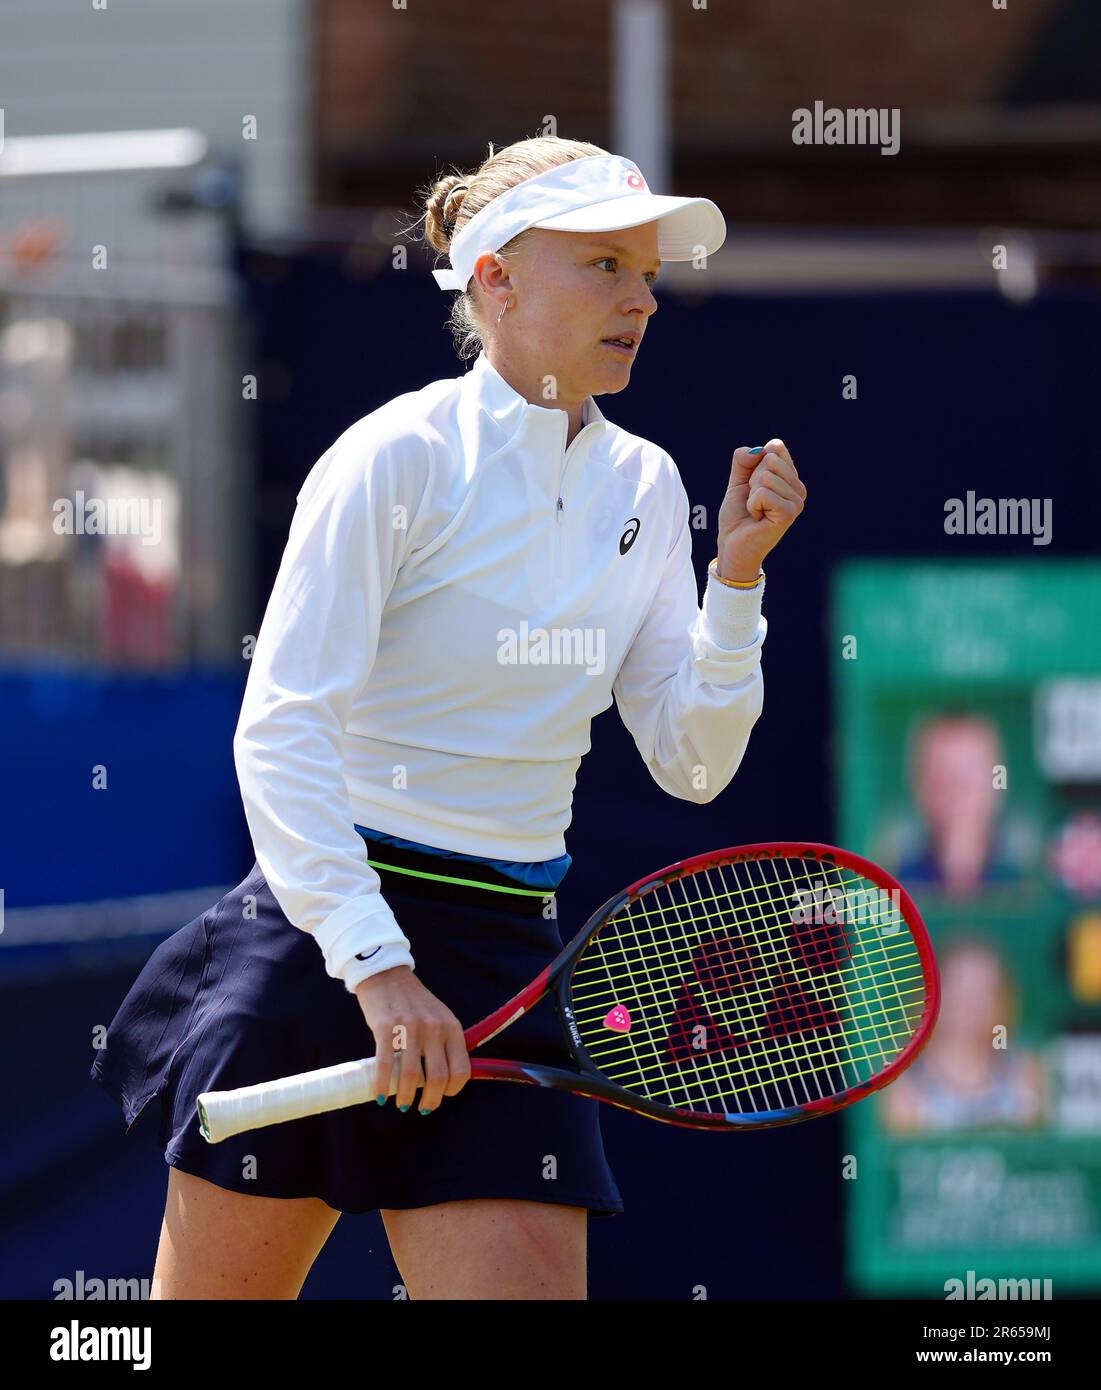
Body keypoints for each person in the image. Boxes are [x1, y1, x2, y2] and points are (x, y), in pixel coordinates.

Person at [91, 134, 807, 1300]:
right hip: (325, 938)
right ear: (496, 279)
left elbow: (692, 760)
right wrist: (376, 969)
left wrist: (736, 586)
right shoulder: (394, 458)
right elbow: (280, 729)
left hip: (507, 955)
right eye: (607, 267)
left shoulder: (645, 485)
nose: (641, 299)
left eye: (647, 275)